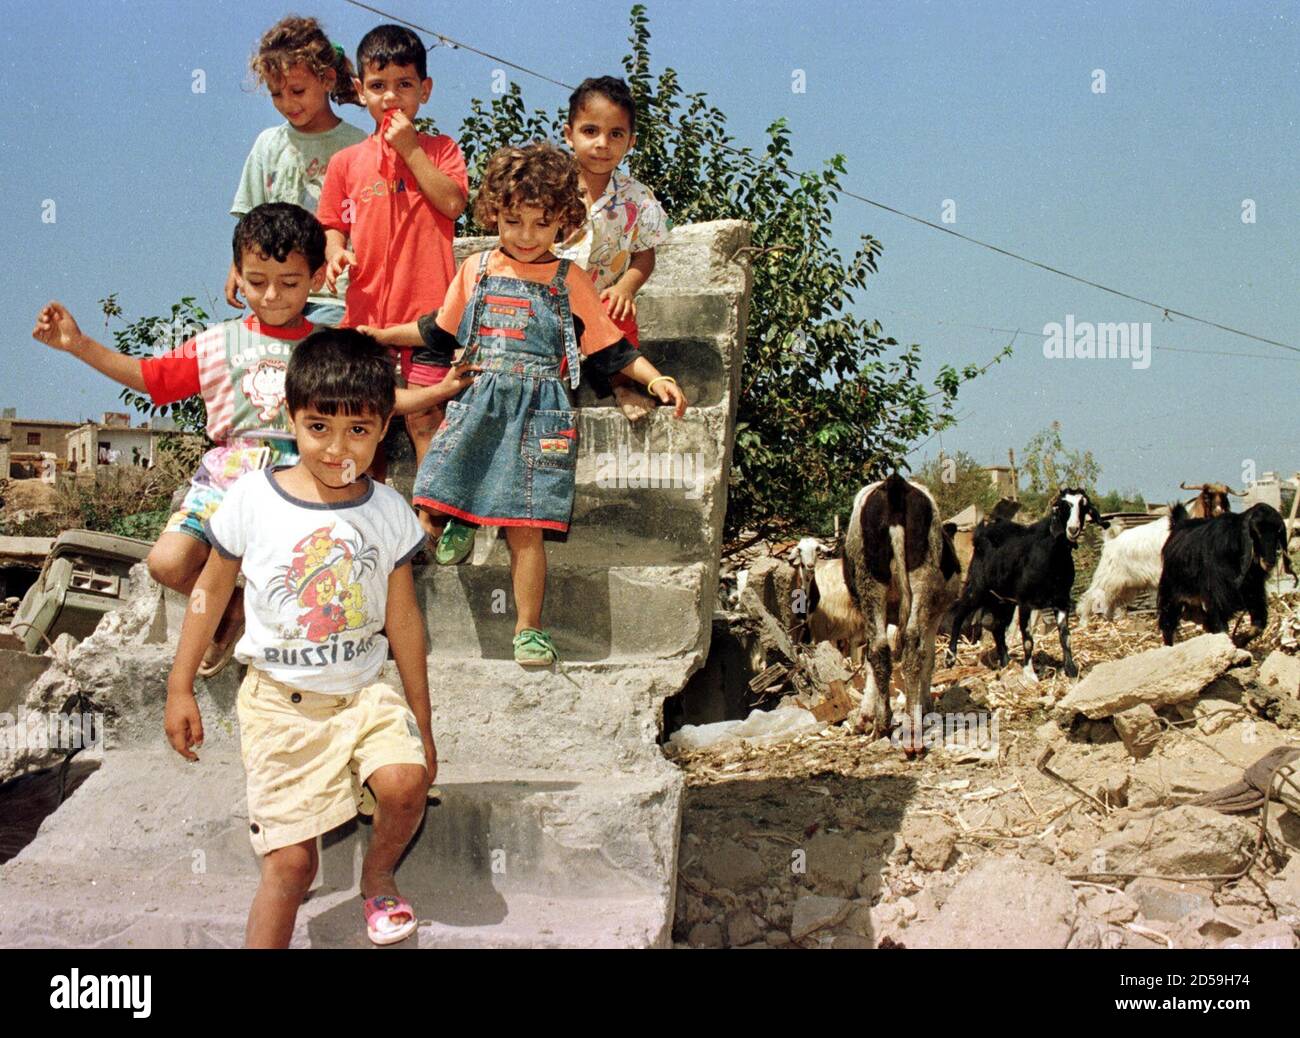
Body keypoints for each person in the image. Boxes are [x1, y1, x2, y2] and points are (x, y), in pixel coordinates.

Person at [32, 203, 463, 675]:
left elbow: (377, 400)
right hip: (230, 476)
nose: (273, 295)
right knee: (168, 562)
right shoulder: (217, 342)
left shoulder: (330, 343)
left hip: (309, 472)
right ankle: (233, 611)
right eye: (257, 281)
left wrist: (438, 391)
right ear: (237, 275)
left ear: (317, 278)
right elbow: (149, 377)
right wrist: (78, 344)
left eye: (290, 282)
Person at [164, 329, 437, 948]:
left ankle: (380, 876)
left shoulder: (389, 510)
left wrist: (422, 720)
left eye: (359, 431)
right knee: (292, 867)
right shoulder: (252, 500)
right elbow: (207, 594)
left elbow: (404, 621)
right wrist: (179, 686)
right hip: (279, 708)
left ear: (385, 426)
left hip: (364, 694)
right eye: (319, 428)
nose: (338, 448)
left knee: (405, 783)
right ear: (291, 419)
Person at [403, 142, 687, 666]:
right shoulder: (476, 270)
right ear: (493, 215)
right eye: (513, 221)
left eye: (541, 222)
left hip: (541, 416)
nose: (526, 235)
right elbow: (437, 333)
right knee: (441, 489)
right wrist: (372, 336)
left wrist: (654, 380)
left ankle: (528, 628)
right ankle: (449, 536)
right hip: (478, 404)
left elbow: (611, 349)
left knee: (527, 523)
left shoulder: (569, 280)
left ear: (564, 221)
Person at [317, 23, 468, 508]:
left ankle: (431, 516)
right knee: (364, 422)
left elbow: (452, 205)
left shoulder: (441, 150)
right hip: (365, 317)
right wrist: (335, 249)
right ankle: (364, 513)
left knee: (426, 419)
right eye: (379, 86)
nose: (392, 97)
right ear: (360, 92)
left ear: (425, 90)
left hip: (428, 316)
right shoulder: (345, 162)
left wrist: (410, 150)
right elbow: (331, 223)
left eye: (405, 85)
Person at [228, 15, 368, 328]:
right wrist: (236, 268)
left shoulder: (358, 145)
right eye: (277, 94)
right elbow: (250, 222)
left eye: (297, 90)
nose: (287, 103)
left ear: (328, 80)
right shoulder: (267, 145)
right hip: (272, 295)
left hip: (333, 297)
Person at [554, 76, 672, 423]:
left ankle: (622, 383)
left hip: (602, 301)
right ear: (568, 134)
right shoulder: (550, 187)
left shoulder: (637, 198)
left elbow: (644, 253)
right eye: (590, 131)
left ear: (630, 142)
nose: (602, 143)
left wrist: (626, 287)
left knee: (620, 312)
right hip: (552, 295)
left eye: (615, 134)